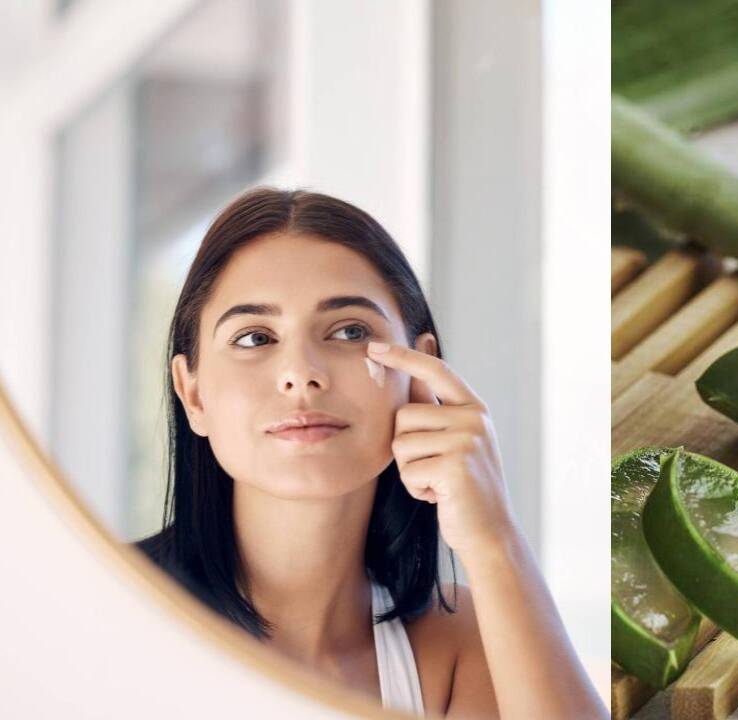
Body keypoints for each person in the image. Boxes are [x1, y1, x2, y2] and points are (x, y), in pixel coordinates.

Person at [134, 187, 605, 718]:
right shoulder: (106, 606)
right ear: (193, 393)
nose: (300, 374)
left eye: (349, 331)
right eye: (254, 338)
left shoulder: (458, 646)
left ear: (420, 372)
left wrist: (494, 539)